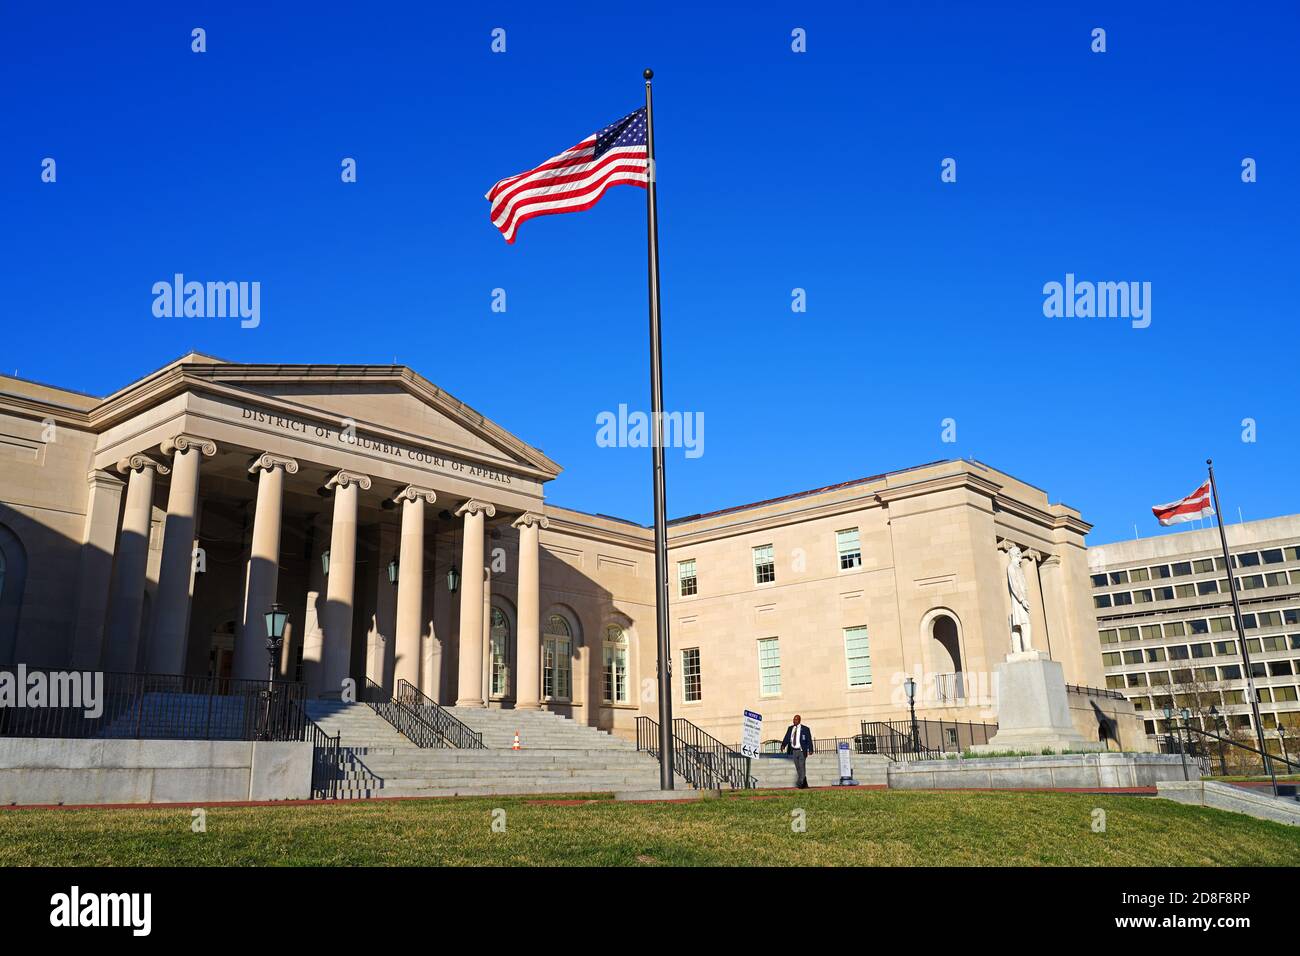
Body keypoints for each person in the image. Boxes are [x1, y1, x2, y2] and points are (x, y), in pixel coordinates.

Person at [780, 714, 814, 788]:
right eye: (793, 719)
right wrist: (783, 745)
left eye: (796, 719)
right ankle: (804, 782)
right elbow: (787, 737)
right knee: (797, 767)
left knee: (801, 766)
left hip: (802, 750)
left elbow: (809, 740)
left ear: (799, 720)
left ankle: (801, 782)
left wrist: (810, 749)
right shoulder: (790, 728)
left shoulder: (805, 729)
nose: (794, 721)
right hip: (794, 751)